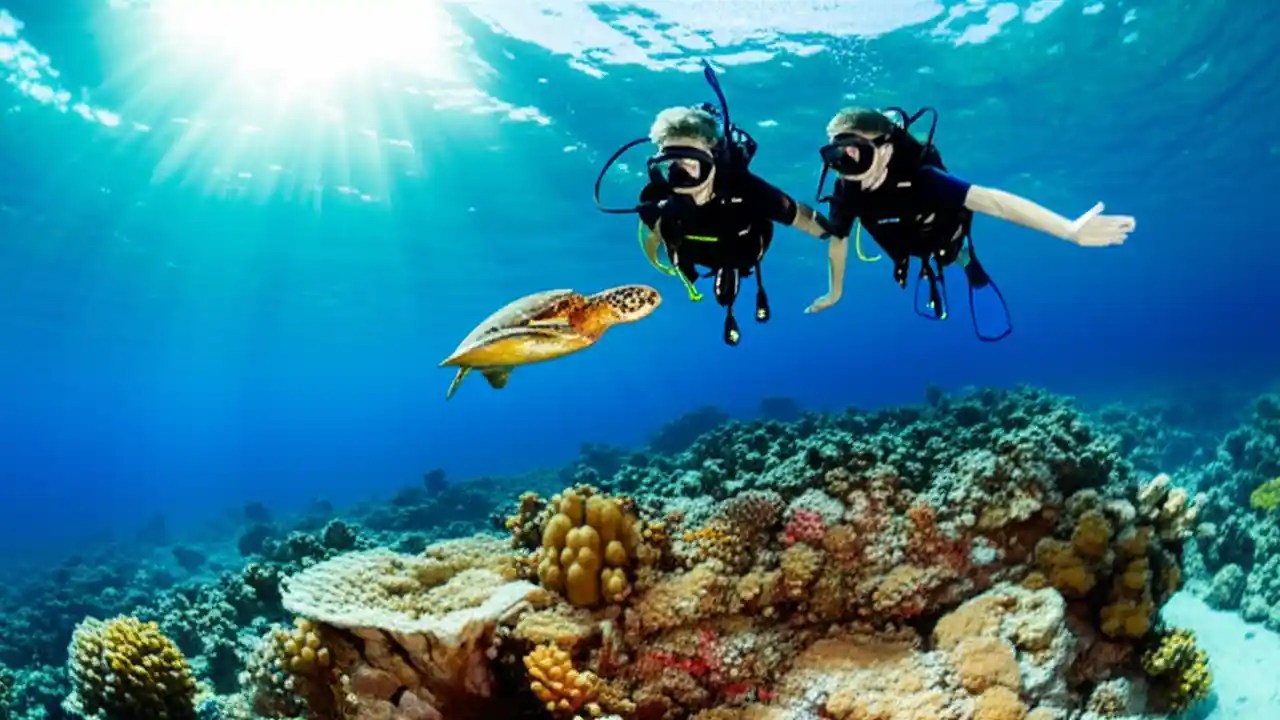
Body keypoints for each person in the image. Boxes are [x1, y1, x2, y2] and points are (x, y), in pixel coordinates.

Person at [805, 106, 1137, 341]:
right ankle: (932, 265)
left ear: (886, 149)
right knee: (916, 258)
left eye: (854, 153)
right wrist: (835, 292)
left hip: (943, 237)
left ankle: (969, 263)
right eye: (835, 157)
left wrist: (1069, 230)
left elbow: (995, 202)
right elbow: (839, 239)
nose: (845, 167)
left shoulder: (923, 178)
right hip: (904, 248)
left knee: (951, 255)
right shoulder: (845, 190)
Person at [593, 60, 834, 347]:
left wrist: (832, 231)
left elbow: (800, 216)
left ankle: (729, 273)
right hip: (694, 255)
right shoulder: (656, 198)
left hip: (743, 252)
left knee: (728, 289)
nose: (678, 176)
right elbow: (653, 243)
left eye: (690, 164)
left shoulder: (746, 188)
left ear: (714, 161)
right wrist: (660, 225)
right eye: (671, 165)